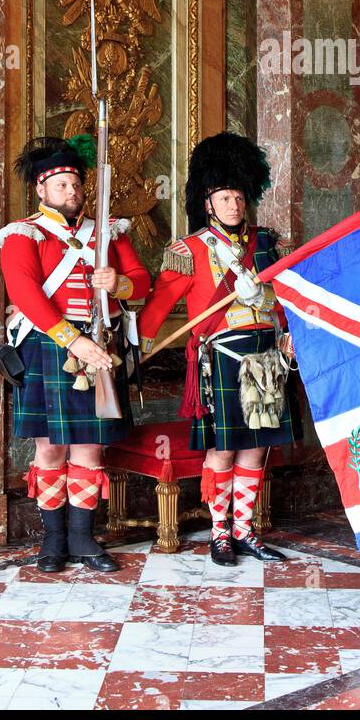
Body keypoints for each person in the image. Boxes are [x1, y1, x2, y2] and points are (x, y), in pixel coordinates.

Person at [0, 136, 150, 573]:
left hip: (100, 341)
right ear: (41, 191)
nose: (71, 191)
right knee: (50, 450)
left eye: (76, 184)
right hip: (50, 346)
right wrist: (73, 340)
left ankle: (83, 539)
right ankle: (53, 542)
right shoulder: (23, 234)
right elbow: (24, 294)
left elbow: (141, 281)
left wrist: (116, 283)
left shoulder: (107, 231)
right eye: (61, 184)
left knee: (89, 450)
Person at [138, 132, 297, 565]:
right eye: (225, 197)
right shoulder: (188, 250)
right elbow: (157, 306)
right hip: (221, 358)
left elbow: (286, 298)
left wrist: (291, 331)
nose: (234, 205)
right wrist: (139, 344)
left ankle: (245, 531)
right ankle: (220, 534)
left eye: (239, 197)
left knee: (256, 446)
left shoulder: (267, 244)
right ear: (208, 203)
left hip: (267, 358)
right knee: (224, 448)